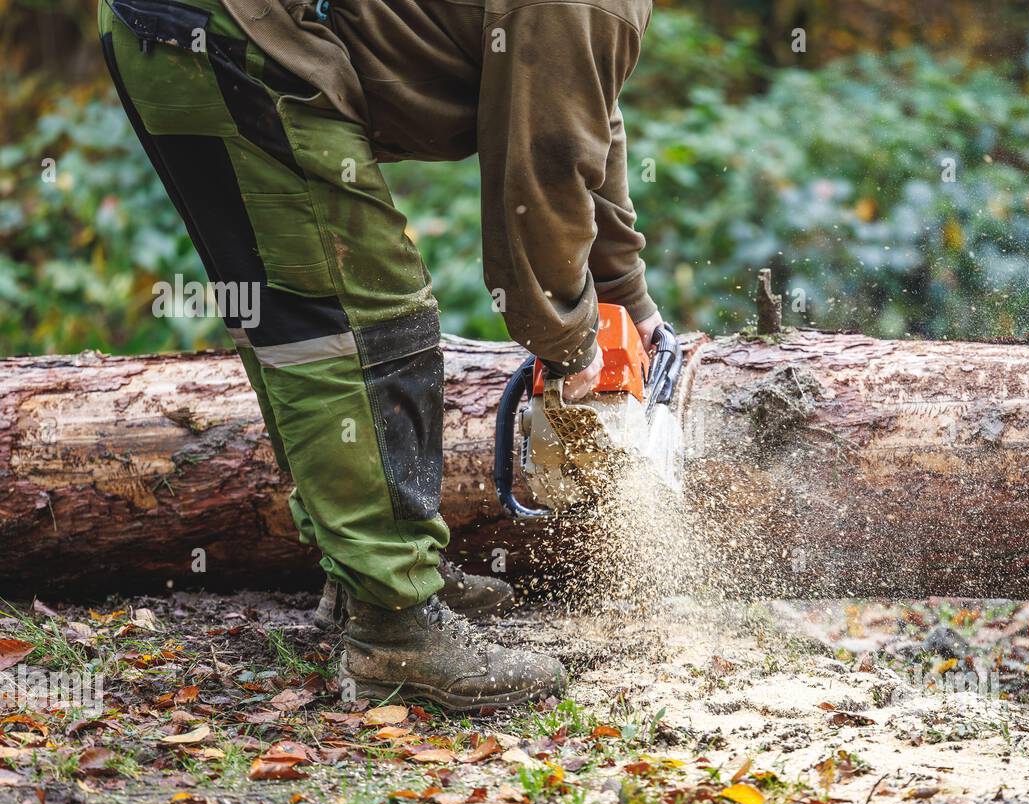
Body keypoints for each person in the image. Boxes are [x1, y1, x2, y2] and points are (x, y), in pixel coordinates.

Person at [97, 0, 661, 711]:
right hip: (233, 32)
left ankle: (367, 574)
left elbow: (583, 116)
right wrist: (569, 340)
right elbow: (543, 167)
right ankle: (395, 628)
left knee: (299, 320)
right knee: (362, 316)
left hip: (180, 28)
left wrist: (625, 298)